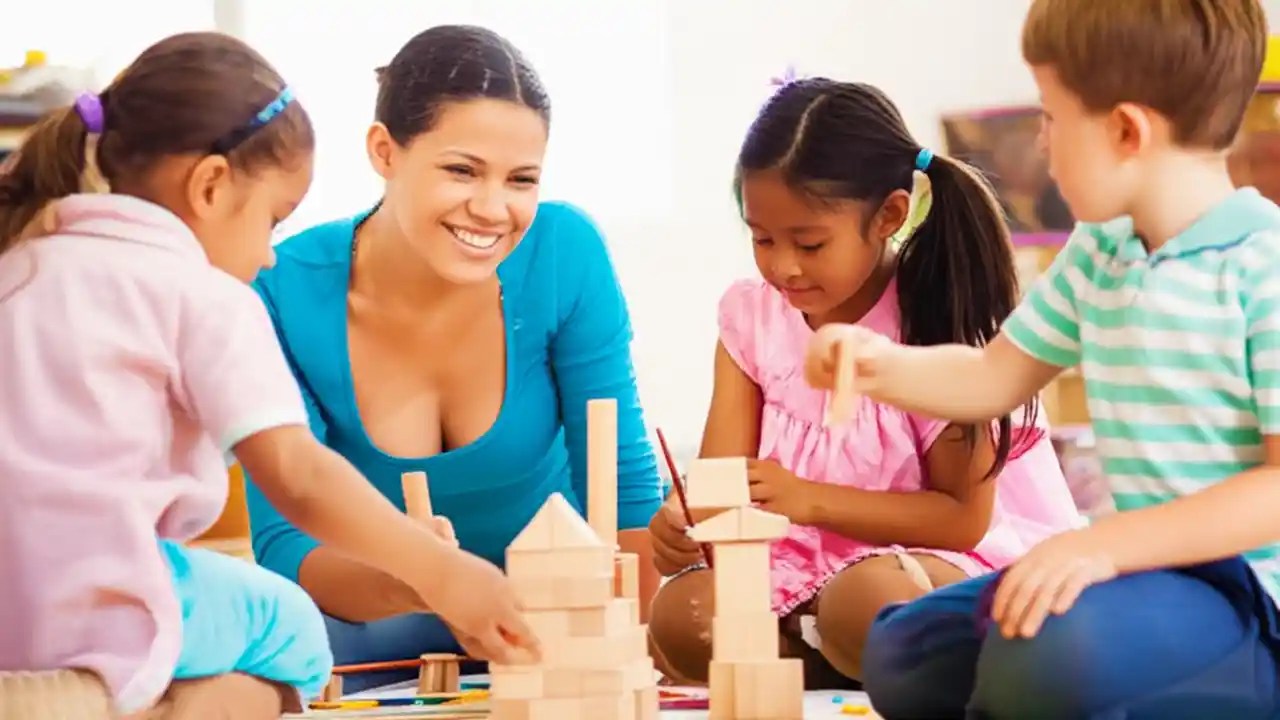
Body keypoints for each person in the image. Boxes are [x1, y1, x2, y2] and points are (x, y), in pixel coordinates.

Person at [0, 32, 537, 719]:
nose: (270, 255)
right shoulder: (202, 294)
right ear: (212, 186)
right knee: (292, 630)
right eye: (272, 221)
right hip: (102, 614)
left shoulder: (22, 266)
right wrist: (440, 572)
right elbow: (299, 478)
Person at [805, 1, 1280, 717]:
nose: (1041, 140)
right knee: (901, 654)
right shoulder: (1102, 252)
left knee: (1043, 659)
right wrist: (872, 361)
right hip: (1139, 572)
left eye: (1051, 117)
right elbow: (992, 375)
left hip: (1246, 596)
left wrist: (1109, 546)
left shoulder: (1262, 266)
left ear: (1126, 130)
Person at [245, 24, 665, 690]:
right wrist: (427, 583)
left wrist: (631, 658)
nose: (493, 209)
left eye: (521, 179)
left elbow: (624, 485)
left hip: (555, 619)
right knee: (272, 650)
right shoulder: (281, 290)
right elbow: (288, 543)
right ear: (384, 150)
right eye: (462, 170)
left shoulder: (564, 251)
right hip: (380, 617)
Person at [645, 76, 1082, 688]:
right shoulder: (752, 317)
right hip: (795, 566)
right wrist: (685, 526)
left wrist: (807, 499)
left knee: (866, 603)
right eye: (762, 238)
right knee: (682, 617)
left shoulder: (938, 321)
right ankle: (841, 662)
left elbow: (962, 519)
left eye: (810, 242)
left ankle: (867, 653)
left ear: (890, 216)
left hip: (936, 562)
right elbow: (723, 488)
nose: (782, 266)